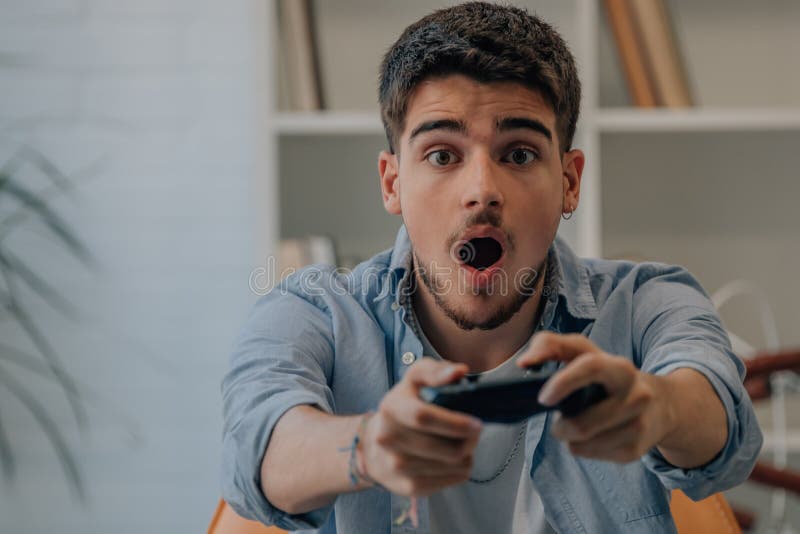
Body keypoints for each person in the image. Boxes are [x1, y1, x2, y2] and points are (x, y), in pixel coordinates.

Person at [220, 2, 763, 532]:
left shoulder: (649, 302)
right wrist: (371, 447)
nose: (481, 191)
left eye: (519, 154)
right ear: (392, 183)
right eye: (441, 155)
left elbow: (722, 423)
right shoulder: (310, 311)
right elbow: (257, 447)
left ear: (569, 181)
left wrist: (657, 407)